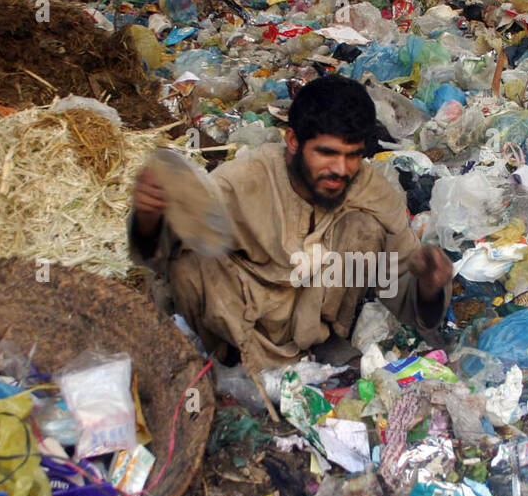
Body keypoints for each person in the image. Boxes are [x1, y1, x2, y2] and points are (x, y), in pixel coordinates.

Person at [129, 73, 453, 370]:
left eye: (352, 155)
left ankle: (323, 342)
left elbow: (402, 292)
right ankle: (236, 361)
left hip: (316, 324)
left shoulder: (374, 196)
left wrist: (429, 284)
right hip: (248, 324)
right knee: (188, 262)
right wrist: (149, 219)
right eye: (326, 153)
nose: (341, 169)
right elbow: (162, 255)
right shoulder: (245, 180)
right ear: (293, 142)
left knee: (363, 225)